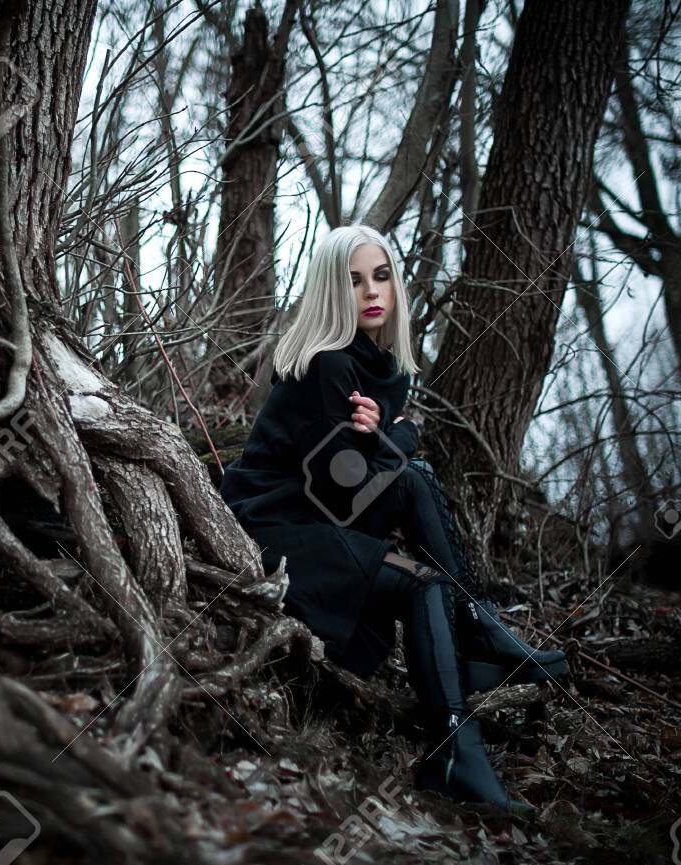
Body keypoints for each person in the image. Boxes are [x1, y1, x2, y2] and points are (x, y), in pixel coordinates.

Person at [219, 224, 567, 812]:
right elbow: (344, 486)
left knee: (419, 506)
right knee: (417, 504)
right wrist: (401, 436)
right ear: (333, 290)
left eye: (381, 276)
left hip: (322, 519)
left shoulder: (382, 371)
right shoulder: (327, 365)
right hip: (276, 529)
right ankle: (473, 655)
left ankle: (460, 722)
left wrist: (388, 435)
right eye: (354, 280)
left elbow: (359, 474)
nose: (372, 291)